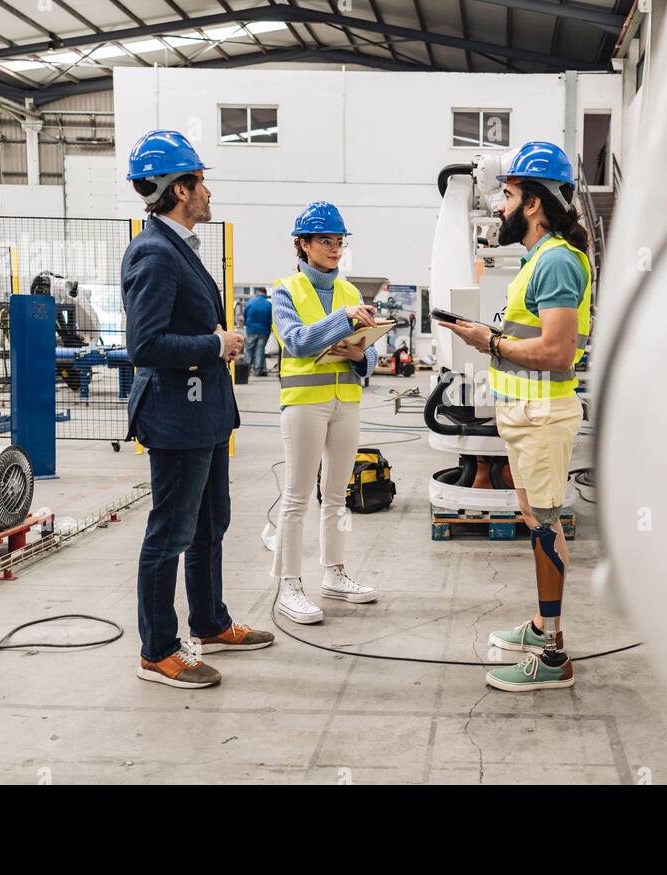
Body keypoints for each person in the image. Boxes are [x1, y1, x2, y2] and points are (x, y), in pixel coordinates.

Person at [122, 129, 274, 689]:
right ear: (181, 189)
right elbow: (144, 345)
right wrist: (218, 344)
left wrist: (213, 339)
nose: (208, 191)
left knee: (211, 523)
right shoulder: (155, 253)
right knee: (170, 533)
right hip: (175, 417)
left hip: (205, 413)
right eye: (201, 181)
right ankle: (158, 650)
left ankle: (209, 623)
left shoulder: (179, 247)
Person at [438, 141, 592, 692]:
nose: (500, 206)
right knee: (537, 522)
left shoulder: (553, 261)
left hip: (543, 415)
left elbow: (556, 351)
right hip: (528, 414)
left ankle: (553, 655)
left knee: (545, 526)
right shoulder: (538, 259)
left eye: (506, 195)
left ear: (532, 203)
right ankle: (540, 624)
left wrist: (490, 342)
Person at [269, 201, 380, 624]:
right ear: (303, 244)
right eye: (325, 241)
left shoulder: (351, 293)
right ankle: (289, 584)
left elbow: (369, 356)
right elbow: (296, 342)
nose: (334, 248)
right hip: (304, 404)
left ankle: (334, 573)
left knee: (337, 497)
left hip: (347, 401)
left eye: (339, 241)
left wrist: (357, 353)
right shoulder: (285, 289)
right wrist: (341, 321)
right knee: (297, 498)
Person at [244, 289, 272, 375]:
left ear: (257, 293)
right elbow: (272, 317)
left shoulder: (250, 302)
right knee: (260, 350)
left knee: (249, 349)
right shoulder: (269, 304)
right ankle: (258, 370)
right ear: (265, 294)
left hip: (251, 329)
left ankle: (246, 370)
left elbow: (245, 313)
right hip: (264, 330)